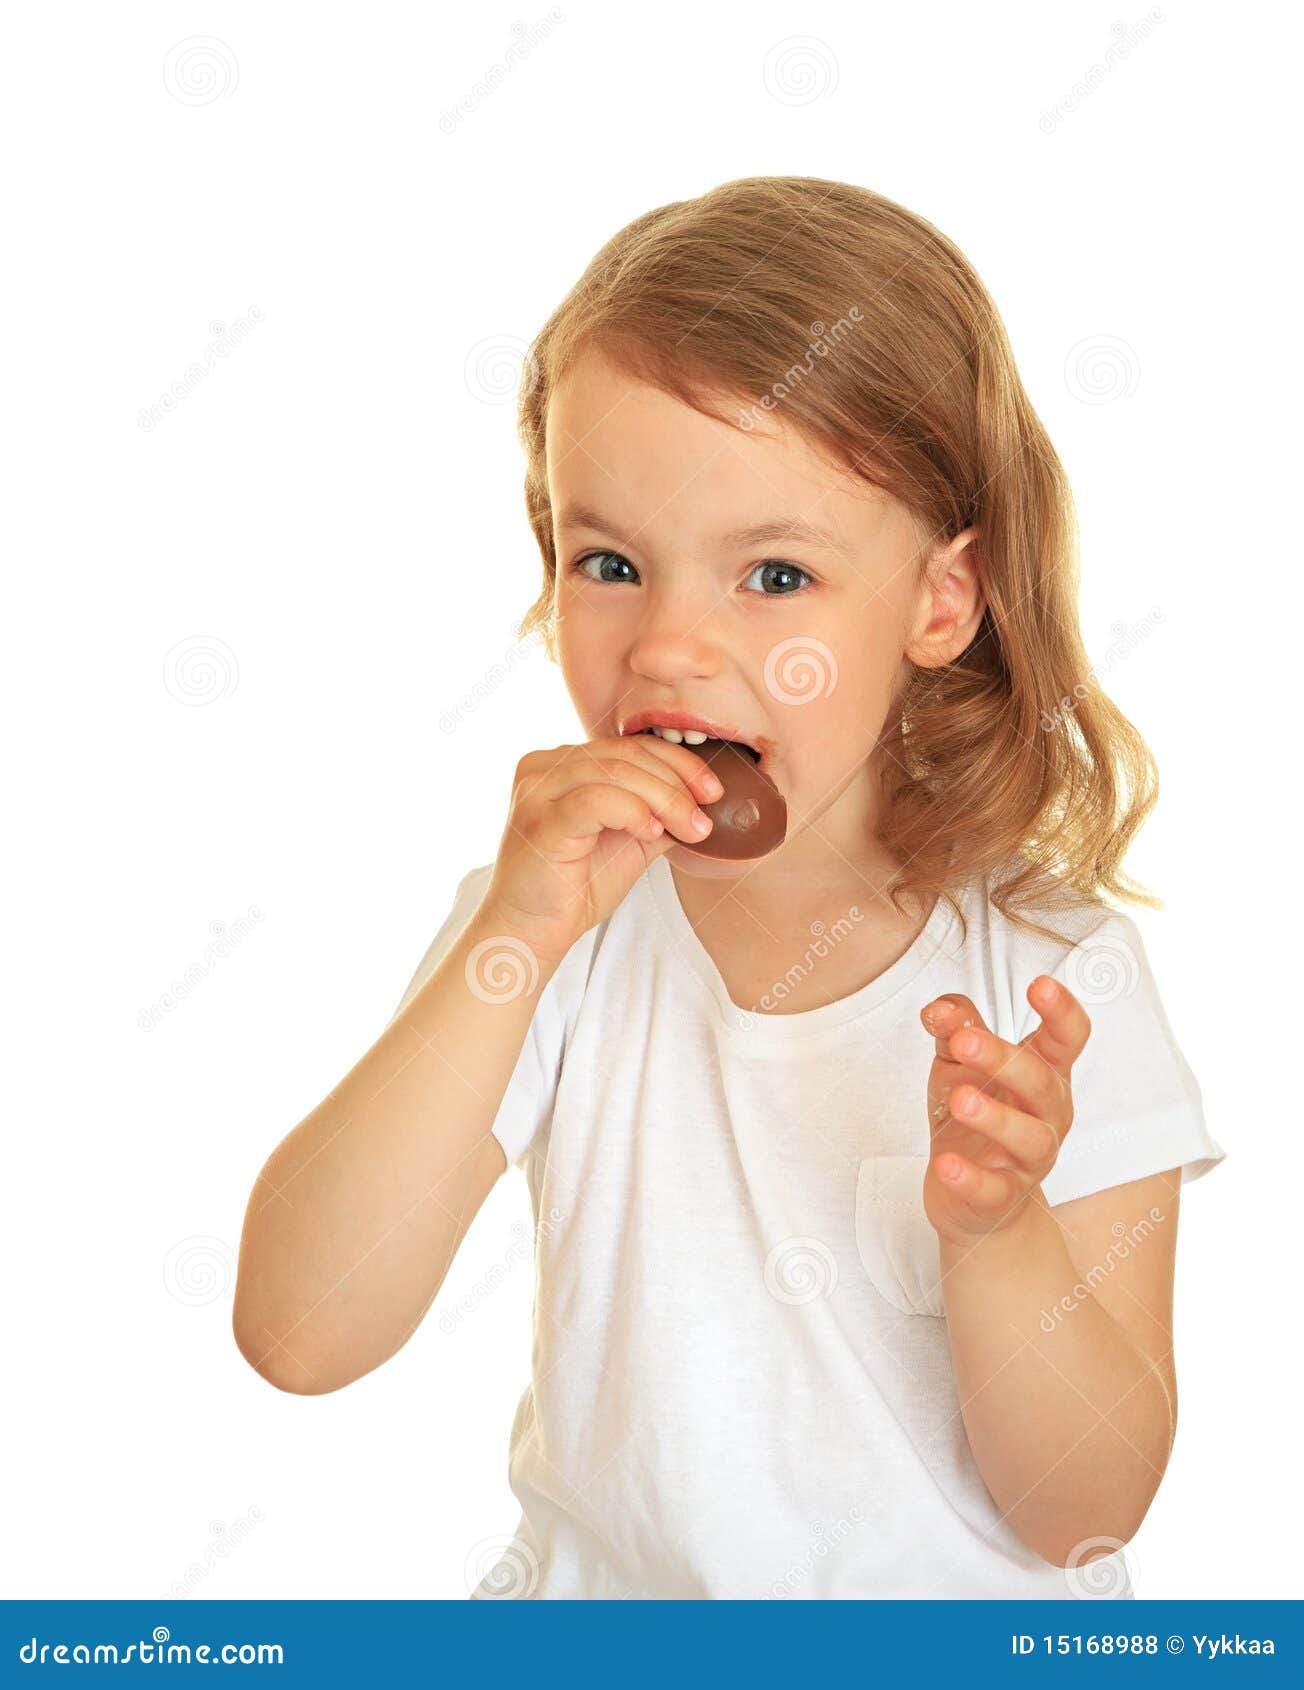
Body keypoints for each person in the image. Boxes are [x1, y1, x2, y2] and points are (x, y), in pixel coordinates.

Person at [233, 176, 1225, 1600]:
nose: (668, 646)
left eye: (772, 574)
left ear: (941, 601)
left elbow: (1086, 1511)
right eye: (610, 562)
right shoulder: (554, 929)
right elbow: (299, 1333)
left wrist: (999, 1234)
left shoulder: (1054, 976)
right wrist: (515, 934)